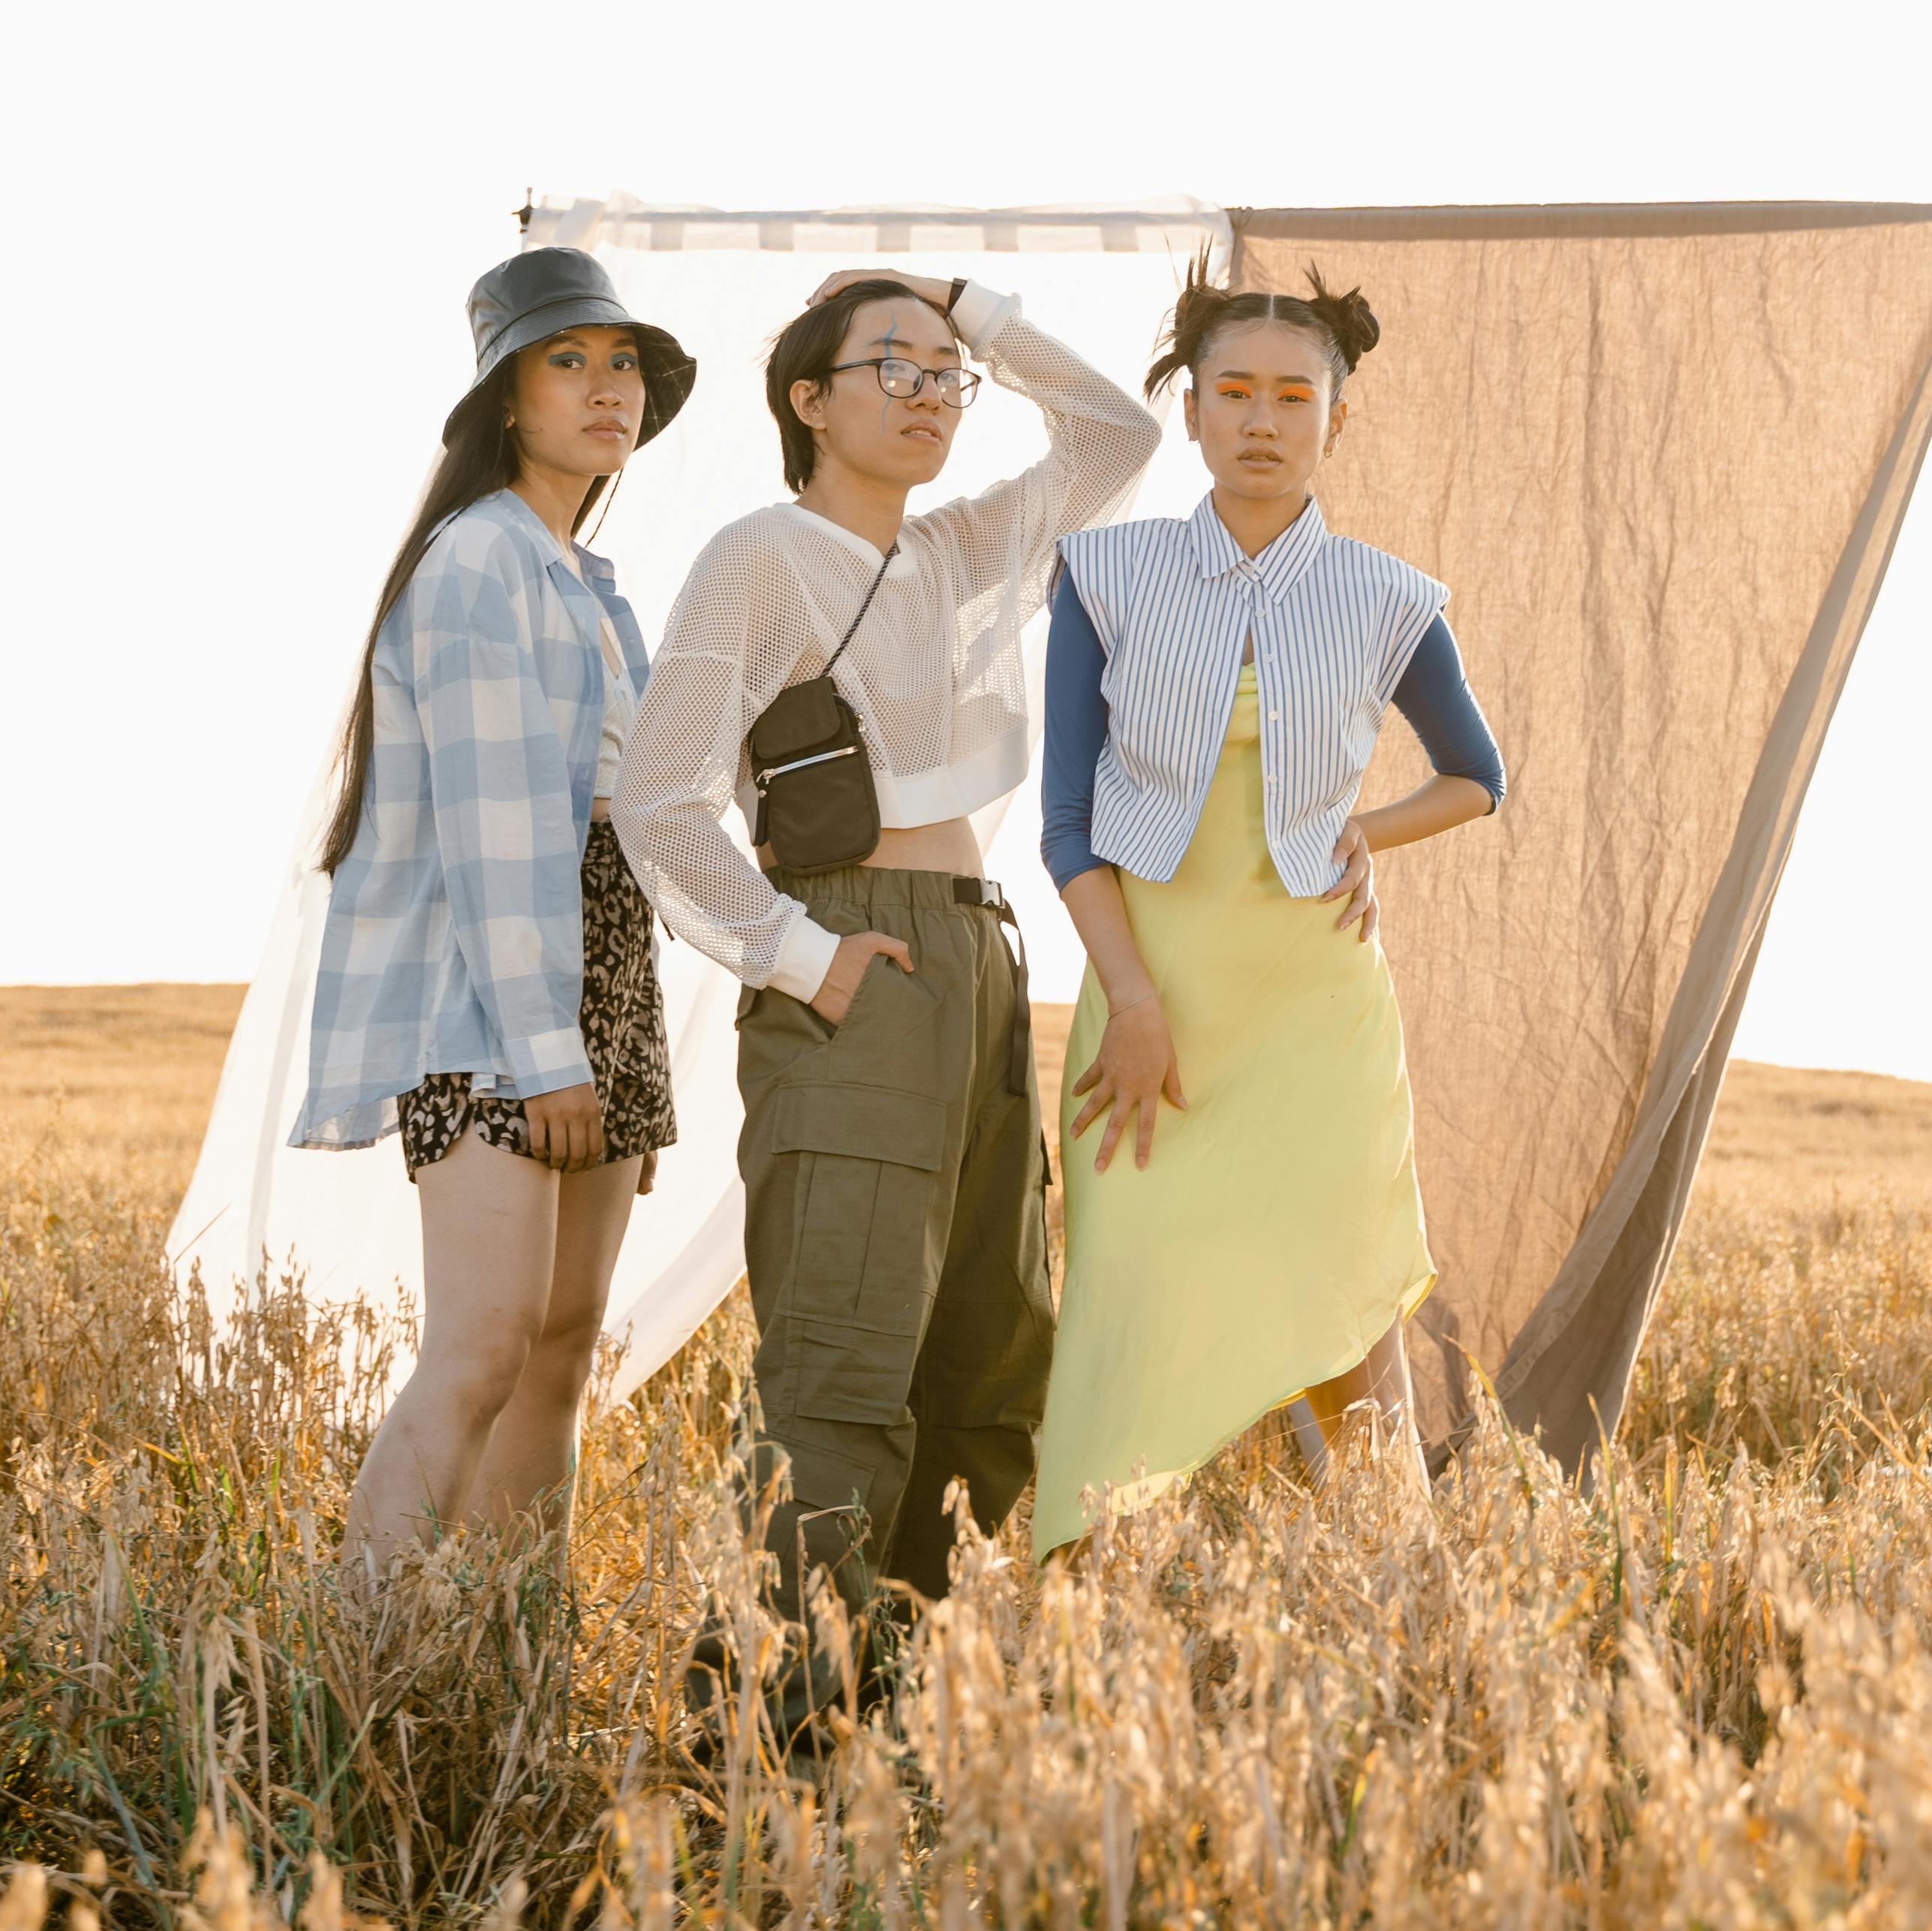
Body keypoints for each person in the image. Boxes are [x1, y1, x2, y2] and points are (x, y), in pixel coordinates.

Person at [615, 267, 1162, 1674]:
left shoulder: (969, 548)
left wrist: (973, 310)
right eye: (894, 368)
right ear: (808, 399)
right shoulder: (759, 552)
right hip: (853, 946)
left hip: (982, 953)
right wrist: (803, 956)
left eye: (947, 377)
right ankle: (769, 1732)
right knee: (844, 1359)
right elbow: (661, 795)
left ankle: (898, 1699)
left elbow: (1116, 438)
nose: (931, 396)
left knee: (992, 1357)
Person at [1028, 266, 1506, 1553]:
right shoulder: (1104, 572)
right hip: (1150, 1009)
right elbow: (1067, 825)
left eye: (1296, 396)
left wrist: (1367, 828)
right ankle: (1093, 1650)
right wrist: (1132, 998)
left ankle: (1404, 1617)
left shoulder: (1385, 595)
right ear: (1189, 410)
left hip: (1316, 1016)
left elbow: (1478, 777)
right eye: (1232, 390)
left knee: (1349, 1328)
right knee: (1130, 1313)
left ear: (1336, 421)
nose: (1262, 418)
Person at [294, 248, 698, 1578]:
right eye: (567, 362)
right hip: (504, 982)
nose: (606, 389)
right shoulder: (476, 562)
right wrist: (547, 1045)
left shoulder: (586, 580)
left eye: (622, 362)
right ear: (504, 402)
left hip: (606, 946)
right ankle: (357, 1658)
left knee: (564, 1347)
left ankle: (507, 1654)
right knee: (479, 1346)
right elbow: (488, 833)